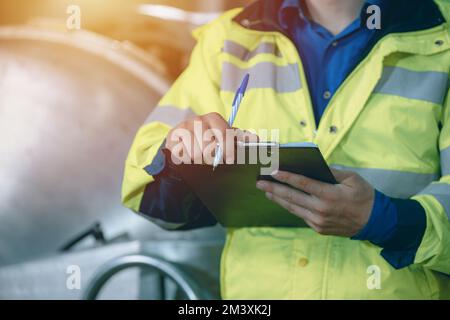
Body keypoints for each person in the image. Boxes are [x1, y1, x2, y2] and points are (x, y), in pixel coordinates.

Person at [122, 0, 450, 299]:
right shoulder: (229, 39)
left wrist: (383, 220)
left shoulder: (443, 34)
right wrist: (179, 157)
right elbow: (145, 194)